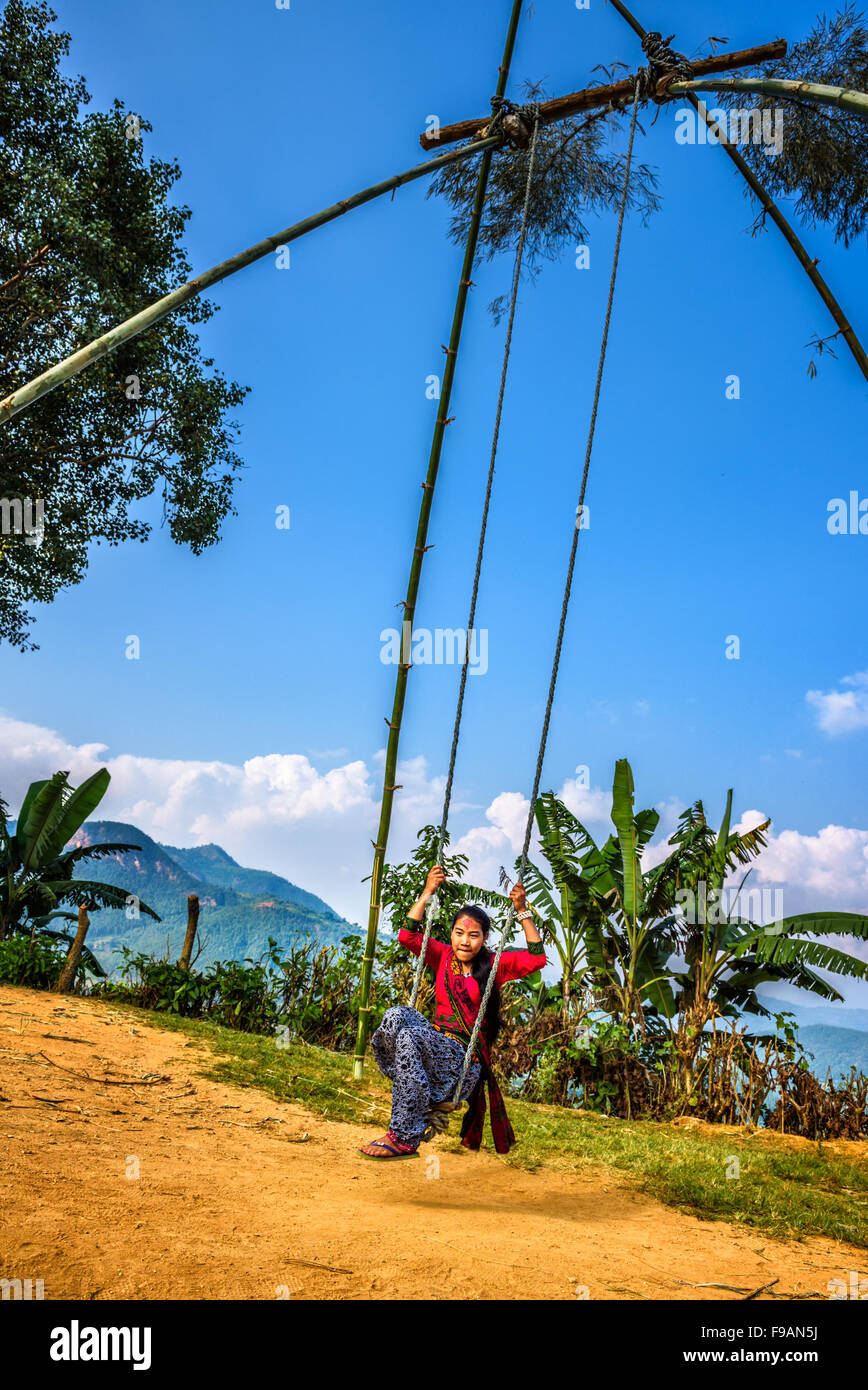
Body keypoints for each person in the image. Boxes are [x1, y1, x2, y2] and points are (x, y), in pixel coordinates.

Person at [358, 863, 546, 1159]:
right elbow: (407, 936)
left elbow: (536, 958)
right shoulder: (443, 954)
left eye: (473, 935)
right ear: (452, 933)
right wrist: (428, 891)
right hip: (435, 1042)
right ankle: (415, 1090)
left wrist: (522, 910)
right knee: (395, 1016)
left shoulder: (495, 964)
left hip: (462, 1059)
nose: (464, 941)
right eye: (459, 933)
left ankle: (404, 1137)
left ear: (484, 938)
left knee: (409, 1038)